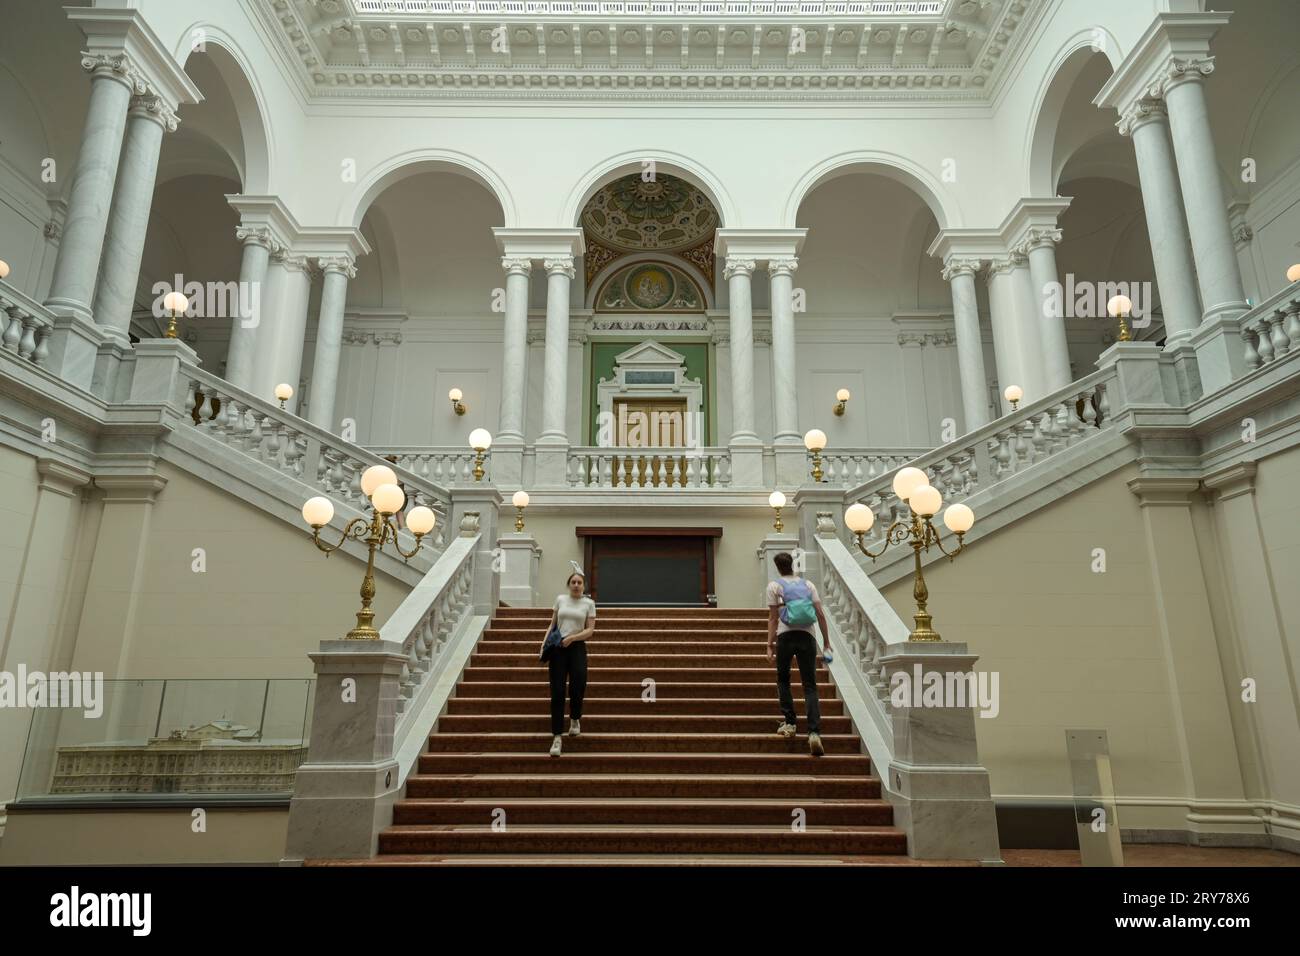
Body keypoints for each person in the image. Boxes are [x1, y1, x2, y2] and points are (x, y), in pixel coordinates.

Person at [766, 551, 831, 757]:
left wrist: (769, 644)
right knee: (810, 685)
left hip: (786, 637)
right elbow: (820, 614)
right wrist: (827, 642)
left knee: (783, 679)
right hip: (807, 636)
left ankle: (791, 723)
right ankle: (813, 732)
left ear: (778, 567)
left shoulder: (774, 586)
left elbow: (773, 619)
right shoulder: (808, 585)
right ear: (793, 565)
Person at [544, 567, 596, 757]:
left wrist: (573, 638)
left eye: (579, 582)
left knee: (577, 686)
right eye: (573, 582)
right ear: (569, 584)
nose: (576, 585)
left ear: (583, 586)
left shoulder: (589, 604)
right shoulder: (560, 600)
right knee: (557, 692)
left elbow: (590, 630)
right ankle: (557, 736)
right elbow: (552, 624)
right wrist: (543, 644)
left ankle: (575, 719)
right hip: (557, 648)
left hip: (577, 648)